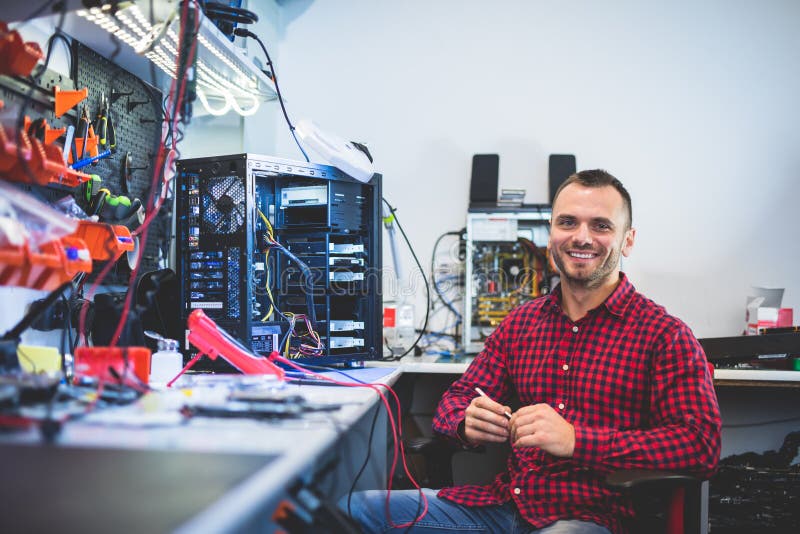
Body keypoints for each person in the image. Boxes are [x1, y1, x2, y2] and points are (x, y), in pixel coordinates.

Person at [347, 169, 722, 533]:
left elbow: (700, 445)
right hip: (500, 507)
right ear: (551, 235)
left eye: (601, 226)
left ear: (628, 240)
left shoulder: (664, 336)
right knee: (353, 511)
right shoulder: (522, 324)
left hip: (590, 517)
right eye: (568, 222)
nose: (582, 237)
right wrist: (466, 422)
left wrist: (577, 440)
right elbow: (456, 399)